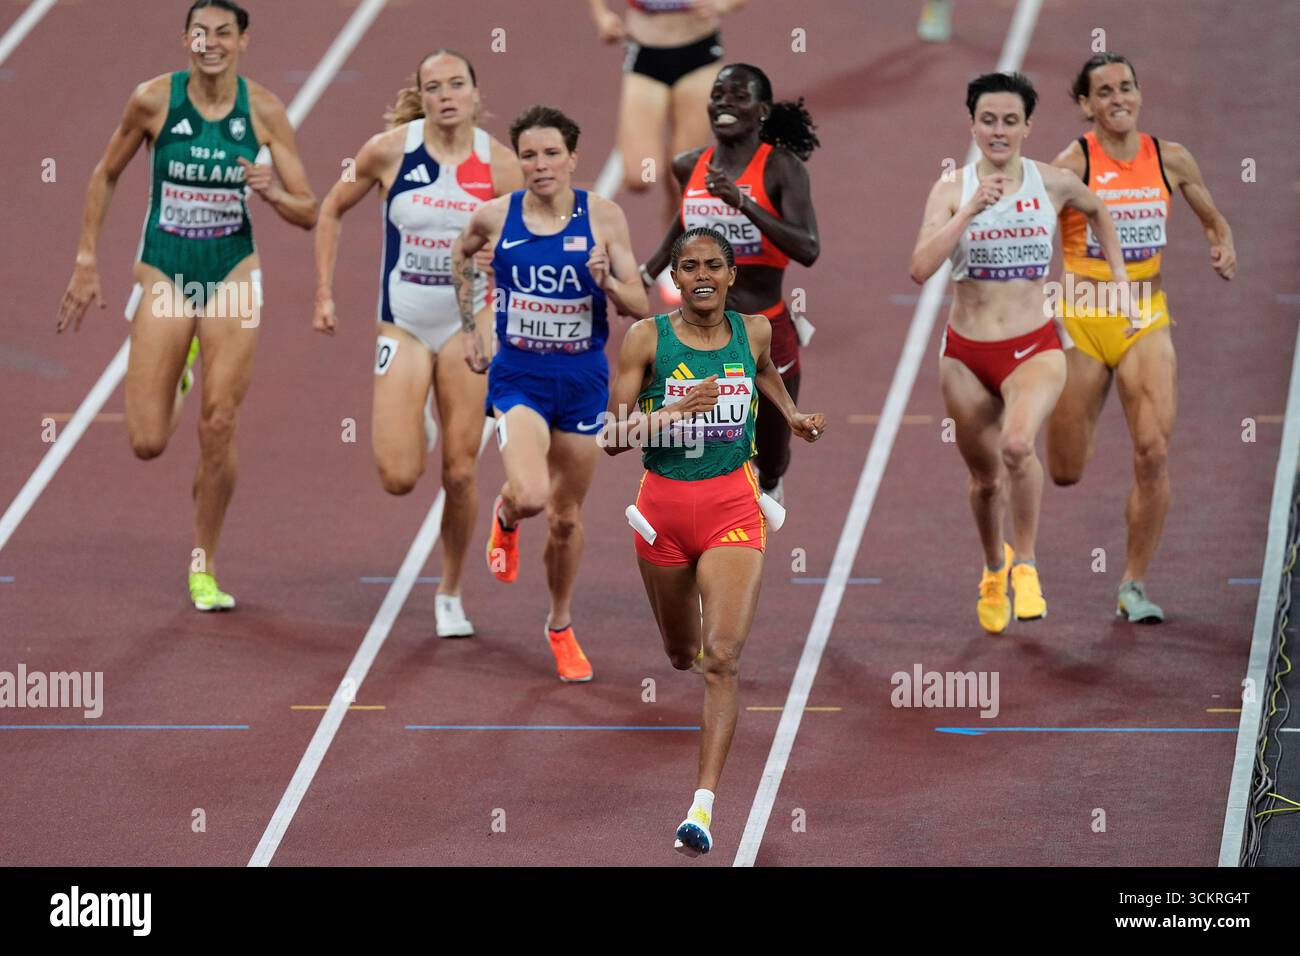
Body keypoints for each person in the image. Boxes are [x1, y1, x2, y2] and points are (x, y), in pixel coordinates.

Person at [56, 0, 316, 611]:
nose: (211, 43)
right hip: (167, 271)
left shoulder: (265, 110)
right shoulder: (153, 100)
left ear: (243, 42)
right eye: (200, 33)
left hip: (233, 274)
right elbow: (105, 173)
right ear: (185, 40)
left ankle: (204, 561)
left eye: (224, 33)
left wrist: (272, 191)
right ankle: (182, 368)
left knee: (220, 424)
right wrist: (87, 258)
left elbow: (309, 209)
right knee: (147, 441)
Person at [602, 226, 824, 855]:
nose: (701, 275)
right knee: (683, 654)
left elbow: (764, 372)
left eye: (713, 266)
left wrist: (791, 416)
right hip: (663, 514)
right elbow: (613, 436)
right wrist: (674, 411)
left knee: (722, 660)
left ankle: (701, 806)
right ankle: (693, 617)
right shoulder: (647, 338)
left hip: (732, 507)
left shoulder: (753, 330)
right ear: (674, 279)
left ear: (731, 276)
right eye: (689, 266)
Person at [909, 71, 1130, 634]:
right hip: (964, 355)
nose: (999, 131)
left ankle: (1026, 563)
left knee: (1015, 445)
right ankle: (993, 568)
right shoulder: (950, 189)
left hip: (1035, 345)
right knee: (985, 481)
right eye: (988, 120)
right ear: (973, 124)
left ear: (1028, 126)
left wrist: (1120, 279)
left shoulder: (1052, 183)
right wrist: (967, 213)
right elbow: (919, 268)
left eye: (1010, 121)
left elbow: (1099, 209)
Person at [313, 50, 522, 637]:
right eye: (434, 87)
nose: (446, 95)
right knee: (399, 476)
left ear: (477, 96)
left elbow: (530, 243)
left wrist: (500, 261)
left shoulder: (500, 167)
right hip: (402, 322)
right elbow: (331, 209)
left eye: (458, 84)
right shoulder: (388, 151)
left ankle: (450, 591)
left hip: (468, 324)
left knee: (459, 474)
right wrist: (324, 294)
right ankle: (418, 419)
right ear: (422, 96)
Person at [453, 105, 648, 681]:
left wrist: (606, 280)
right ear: (518, 160)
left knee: (566, 519)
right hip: (519, 379)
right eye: (529, 155)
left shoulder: (605, 217)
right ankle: (508, 515)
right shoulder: (494, 216)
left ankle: (560, 626)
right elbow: (461, 257)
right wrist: (472, 327)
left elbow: (639, 307)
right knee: (534, 495)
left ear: (572, 159)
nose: (540, 165)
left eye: (551, 154)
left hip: (584, 382)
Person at [1046, 53, 1237, 623]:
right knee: (1065, 470)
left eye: (1125, 87)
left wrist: (1222, 243)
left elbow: (1212, 216)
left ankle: (1133, 584)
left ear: (1139, 94)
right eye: (1104, 91)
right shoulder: (1072, 164)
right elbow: (1033, 223)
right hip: (1083, 315)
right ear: (1086, 105)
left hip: (1146, 317)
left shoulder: (1170, 159)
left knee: (1153, 453)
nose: (1117, 98)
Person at [641, 63, 820, 504]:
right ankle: (703, 524)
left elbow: (808, 248)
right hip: (699, 332)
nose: (724, 103)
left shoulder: (781, 168)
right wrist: (645, 273)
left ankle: (772, 483)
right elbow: (684, 223)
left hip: (766, 329)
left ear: (761, 111)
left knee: (773, 452)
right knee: (699, 438)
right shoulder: (689, 165)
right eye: (718, 94)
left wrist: (742, 202)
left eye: (738, 96)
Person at [587, 0, 745, 227]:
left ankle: (674, 255)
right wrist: (601, 16)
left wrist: (723, 5)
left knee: (682, 180)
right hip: (645, 56)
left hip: (699, 56)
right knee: (639, 175)